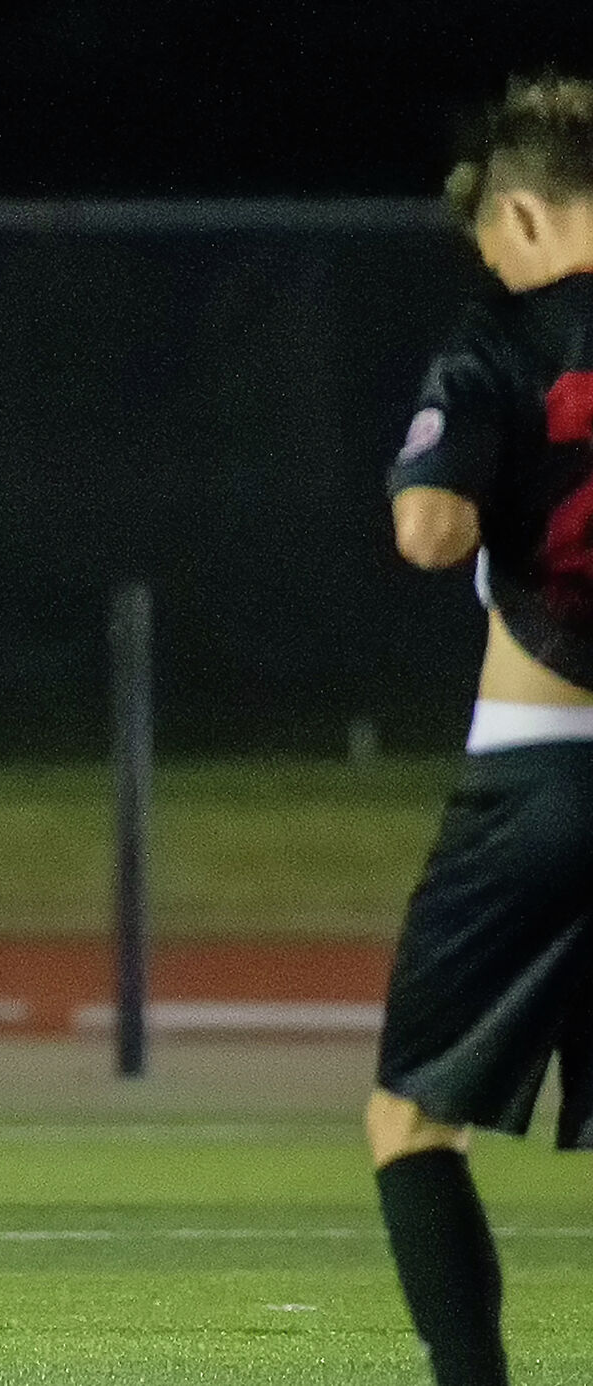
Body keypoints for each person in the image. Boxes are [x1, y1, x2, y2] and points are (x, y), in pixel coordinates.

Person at [372, 74, 593, 1386]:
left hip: (539, 777)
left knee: (410, 1118)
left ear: (519, 213)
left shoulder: (498, 338)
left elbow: (429, 528)